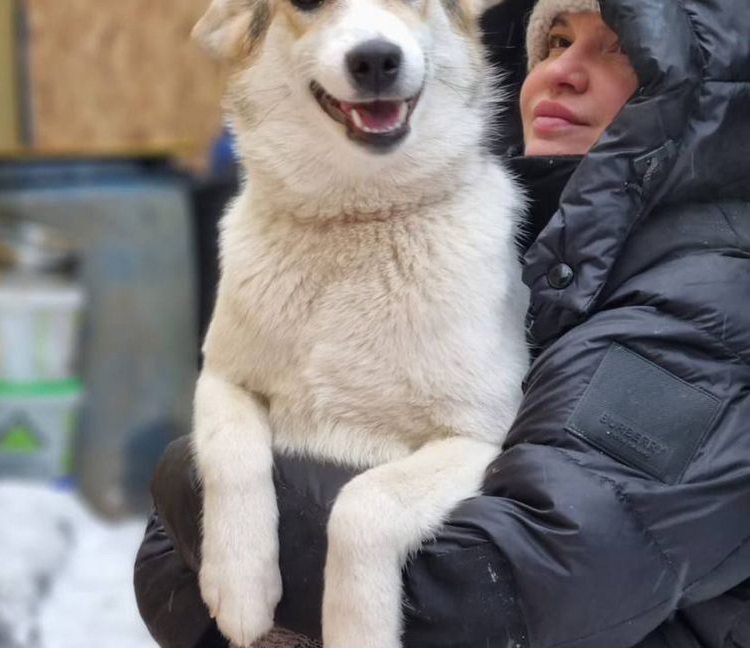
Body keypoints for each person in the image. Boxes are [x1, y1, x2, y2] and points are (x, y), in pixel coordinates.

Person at [134, 0, 750, 646]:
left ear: (710, 95)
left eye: (621, 47)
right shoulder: (550, 250)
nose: (561, 70)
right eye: (558, 39)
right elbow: (169, 575)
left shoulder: (709, 302)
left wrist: (197, 486)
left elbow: (500, 585)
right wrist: (228, 480)